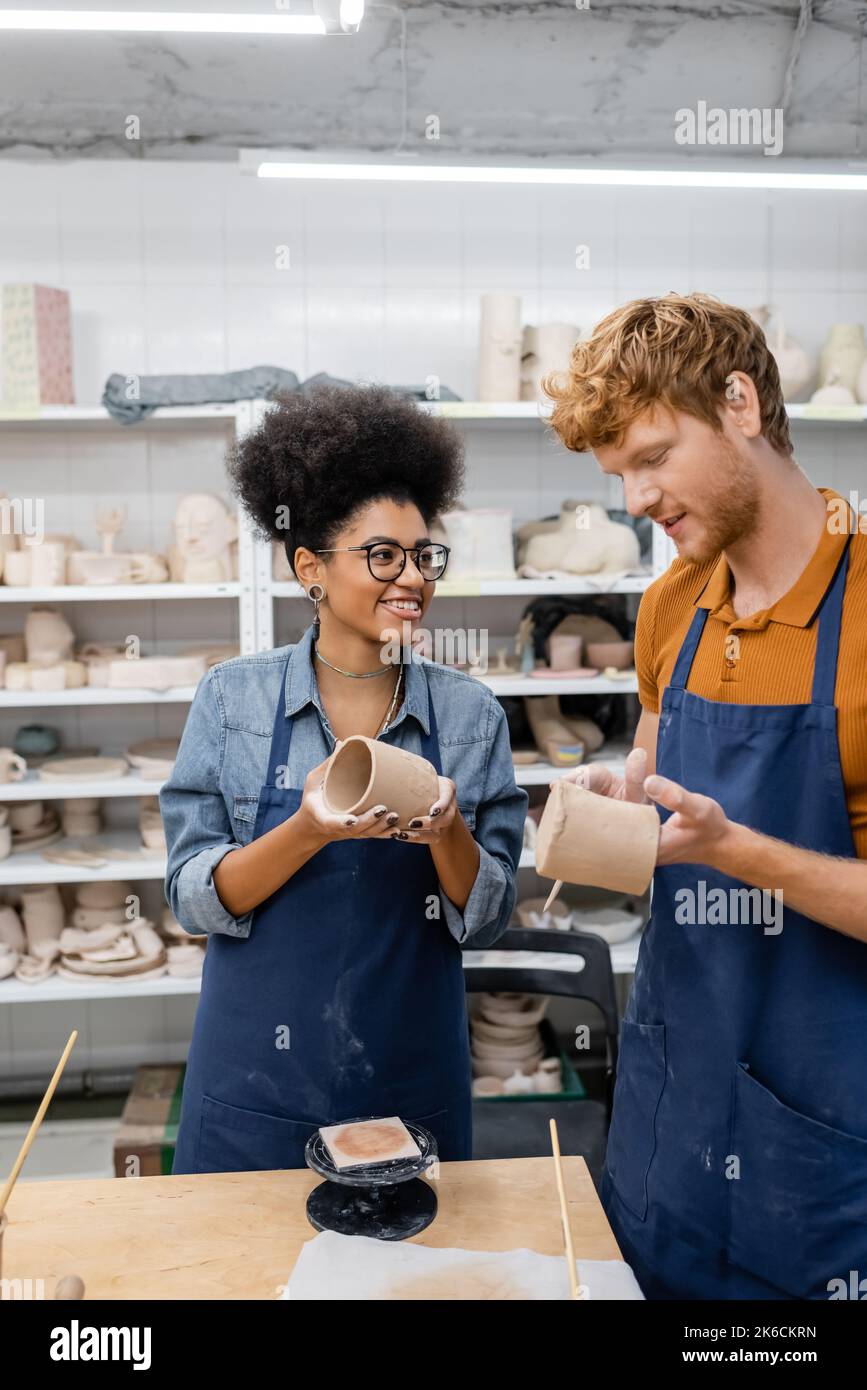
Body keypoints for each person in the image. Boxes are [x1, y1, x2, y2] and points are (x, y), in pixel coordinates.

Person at [544, 292, 867, 1300]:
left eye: (651, 457)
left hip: (825, 1128)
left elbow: (720, 840)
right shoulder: (671, 606)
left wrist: (736, 851)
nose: (635, 499)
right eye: (617, 475)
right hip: (676, 1100)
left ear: (738, 402)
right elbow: (656, 793)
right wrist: (616, 800)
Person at [162, 385, 527, 1174]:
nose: (412, 577)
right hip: (255, 1075)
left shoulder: (468, 715)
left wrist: (448, 832)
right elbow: (193, 897)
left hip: (408, 1072)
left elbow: (488, 916)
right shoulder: (234, 700)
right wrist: (305, 829)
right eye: (382, 554)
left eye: (424, 555)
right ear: (309, 568)